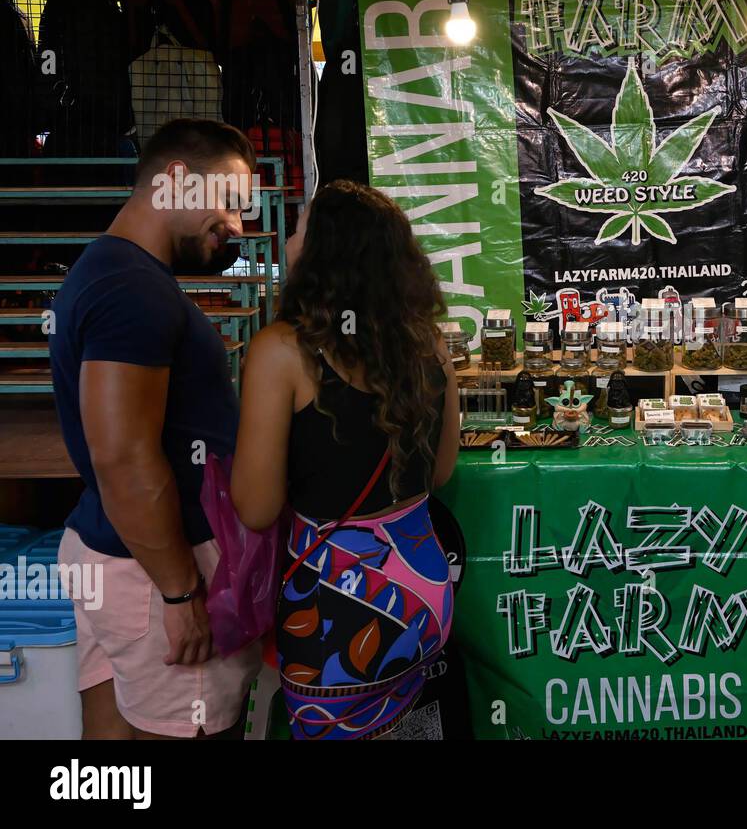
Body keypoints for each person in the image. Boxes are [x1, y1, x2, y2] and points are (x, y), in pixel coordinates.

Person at [50, 118, 263, 739]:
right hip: (152, 577)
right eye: (227, 202)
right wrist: (179, 594)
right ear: (173, 182)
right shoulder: (132, 289)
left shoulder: (112, 271)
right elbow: (123, 457)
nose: (236, 226)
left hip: (113, 554)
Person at [231, 180, 460, 740]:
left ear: (325, 254)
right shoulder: (427, 342)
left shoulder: (281, 351)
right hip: (424, 597)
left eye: (300, 230)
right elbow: (439, 472)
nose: (287, 243)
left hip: (338, 607)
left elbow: (256, 508)